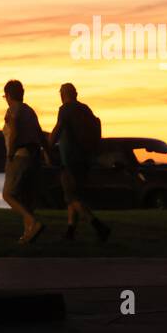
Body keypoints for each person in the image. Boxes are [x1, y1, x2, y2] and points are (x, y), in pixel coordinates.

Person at [50, 83, 110, 243]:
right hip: (85, 159)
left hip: (70, 160)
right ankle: (70, 232)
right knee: (74, 196)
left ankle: (98, 226)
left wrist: (47, 146)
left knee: (72, 197)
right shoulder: (85, 109)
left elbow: (58, 129)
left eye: (61, 93)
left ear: (63, 94)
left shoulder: (65, 109)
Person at [1, 79, 46, 244]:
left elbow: (14, 132)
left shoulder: (12, 109)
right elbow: (40, 134)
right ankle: (28, 234)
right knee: (25, 198)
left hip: (20, 156)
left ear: (7, 95)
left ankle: (33, 223)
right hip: (34, 157)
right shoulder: (30, 111)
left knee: (8, 194)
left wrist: (10, 153)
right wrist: (47, 153)